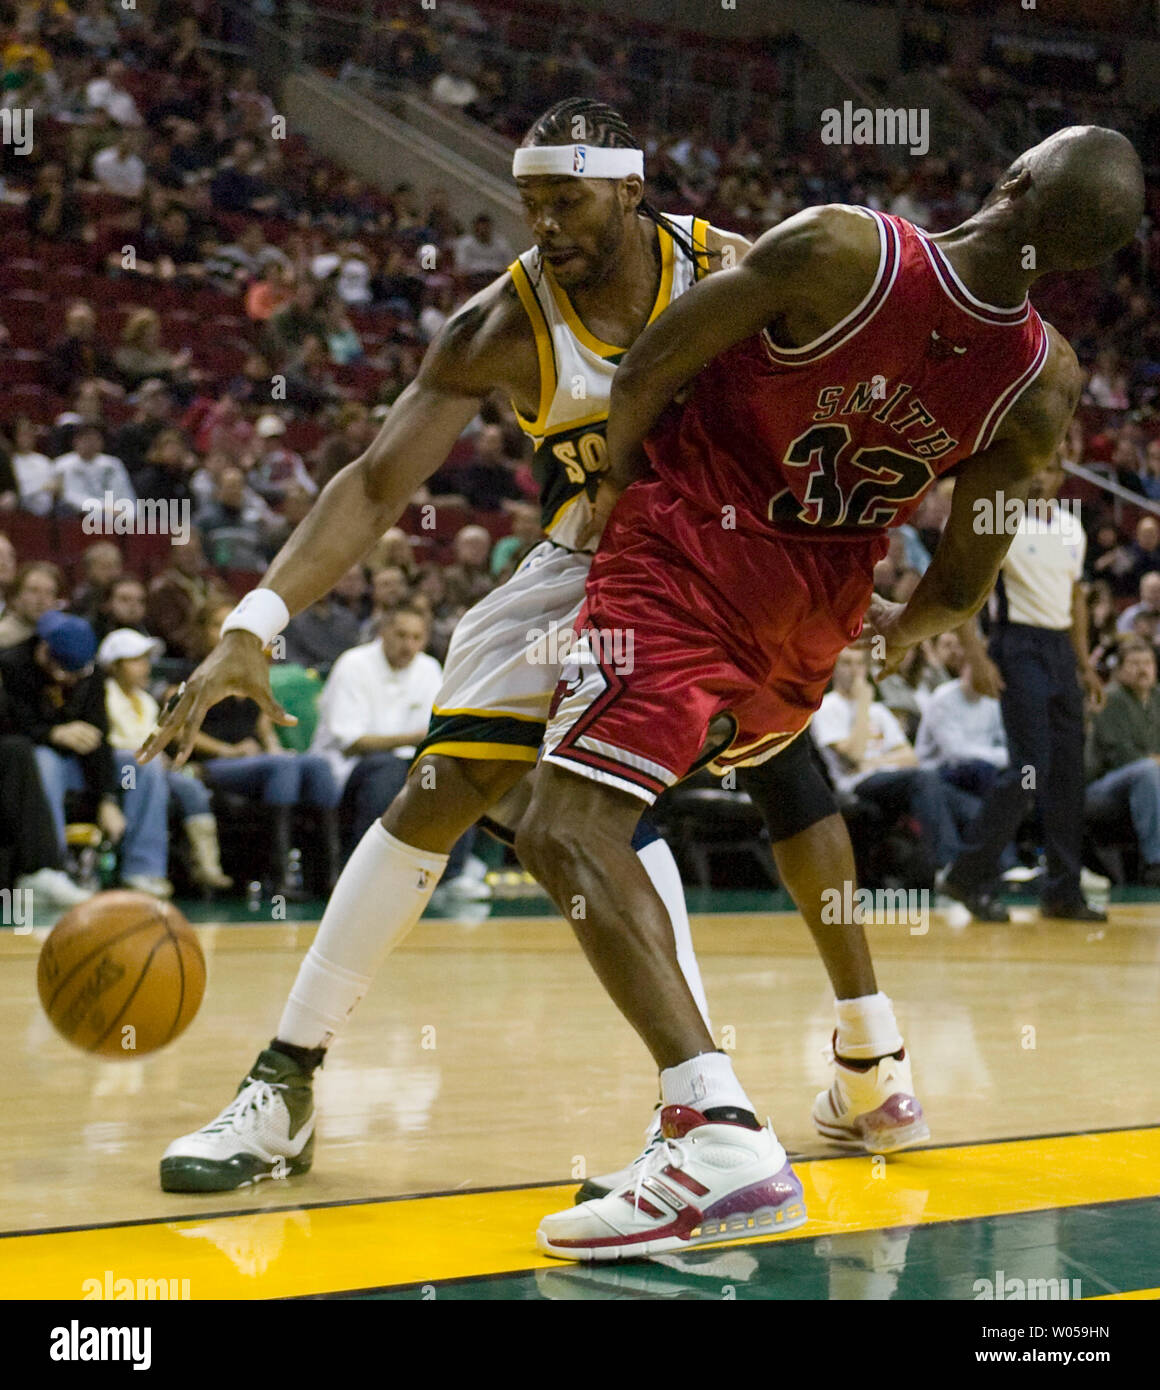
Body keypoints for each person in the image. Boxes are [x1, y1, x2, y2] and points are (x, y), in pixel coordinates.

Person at [508, 125, 1142, 1257]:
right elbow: (960, 576)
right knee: (779, 782)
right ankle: (867, 1063)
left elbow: (648, 364)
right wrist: (904, 624)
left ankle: (713, 1135)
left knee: (563, 825)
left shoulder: (841, 248)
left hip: (692, 560)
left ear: (1007, 177)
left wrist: (615, 500)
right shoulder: (1042, 380)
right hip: (814, 618)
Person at [142, 99, 750, 1195]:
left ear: (630, 187)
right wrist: (250, 626)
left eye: (567, 200)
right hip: (594, 558)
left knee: (602, 809)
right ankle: (284, 1083)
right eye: (530, 203)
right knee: (443, 781)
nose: (545, 224)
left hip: (725, 561)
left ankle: (725, 1107)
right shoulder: (499, 325)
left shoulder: (734, 274)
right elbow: (375, 482)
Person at [940, 455, 1108, 922]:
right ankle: (967, 875)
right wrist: (977, 656)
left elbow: (1076, 599)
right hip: (1017, 644)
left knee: (1068, 772)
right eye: (1034, 468)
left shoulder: (1073, 529)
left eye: (1051, 468)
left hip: (1058, 652)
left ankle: (1062, 890)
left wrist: (1084, 664)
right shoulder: (998, 522)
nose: (1041, 476)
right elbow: (963, 593)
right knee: (1028, 768)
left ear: (1060, 477)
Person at [183, 602, 341, 896]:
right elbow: (181, 731)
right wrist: (228, 751)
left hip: (252, 763)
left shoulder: (252, 674)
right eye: (218, 626)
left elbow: (262, 727)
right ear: (202, 632)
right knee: (283, 767)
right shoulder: (190, 675)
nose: (227, 634)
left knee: (316, 764)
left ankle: (326, 877)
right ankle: (280, 879)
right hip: (207, 764)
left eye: (233, 627)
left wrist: (272, 747)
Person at [813, 645, 977, 875]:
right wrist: (862, 703)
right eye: (846, 663)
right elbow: (855, 754)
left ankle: (997, 867)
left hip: (892, 779)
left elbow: (910, 757)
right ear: (834, 668)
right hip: (857, 784)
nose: (854, 670)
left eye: (859, 664)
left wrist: (874, 762)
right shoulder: (826, 708)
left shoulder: (879, 710)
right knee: (925, 779)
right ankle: (948, 866)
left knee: (967, 805)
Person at [100, 628, 232, 894]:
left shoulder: (146, 701)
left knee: (188, 784)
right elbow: (108, 743)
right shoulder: (104, 695)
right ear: (114, 666)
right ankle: (141, 869)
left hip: (144, 763)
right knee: (142, 767)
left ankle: (205, 865)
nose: (145, 667)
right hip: (117, 768)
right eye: (136, 660)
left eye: (146, 660)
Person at [0, 612, 126, 863]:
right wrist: (52, 734)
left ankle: (141, 867)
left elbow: (99, 737)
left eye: (79, 674)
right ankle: (53, 863)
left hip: (82, 767)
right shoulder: (12, 666)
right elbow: (9, 730)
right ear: (45, 652)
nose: (73, 680)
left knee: (134, 767)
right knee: (44, 762)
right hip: (41, 763)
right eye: (68, 673)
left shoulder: (91, 676)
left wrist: (107, 797)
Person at [1085, 637, 1160, 887]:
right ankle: (1155, 863)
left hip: (1150, 780)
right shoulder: (1110, 698)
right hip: (1103, 787)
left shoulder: (1158, 698)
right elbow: (1120, 755)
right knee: (1147, 771)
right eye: (1135, 663)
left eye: (1148, 662)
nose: (1143, 669)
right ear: (1119, 670)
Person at [0, 562, 63, 650]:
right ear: (15, 597)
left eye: (49, 592)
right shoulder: (3, 637)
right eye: (33, 591)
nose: (41, 600)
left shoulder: (60, 635)